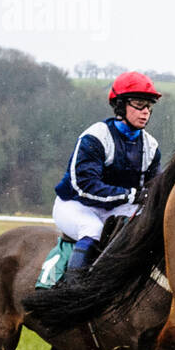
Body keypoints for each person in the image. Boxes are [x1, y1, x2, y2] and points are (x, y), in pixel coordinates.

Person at [52, 72, 162, 278]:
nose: (145, 111)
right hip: (77, 205)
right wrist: (130, 195)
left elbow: (154, 187)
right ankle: (73, 290)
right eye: (139, 104)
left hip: (116, 207)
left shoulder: (151, 146)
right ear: (120, 106)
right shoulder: (95, 137)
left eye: (149, 106)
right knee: (93, 229)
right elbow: (84, 186)